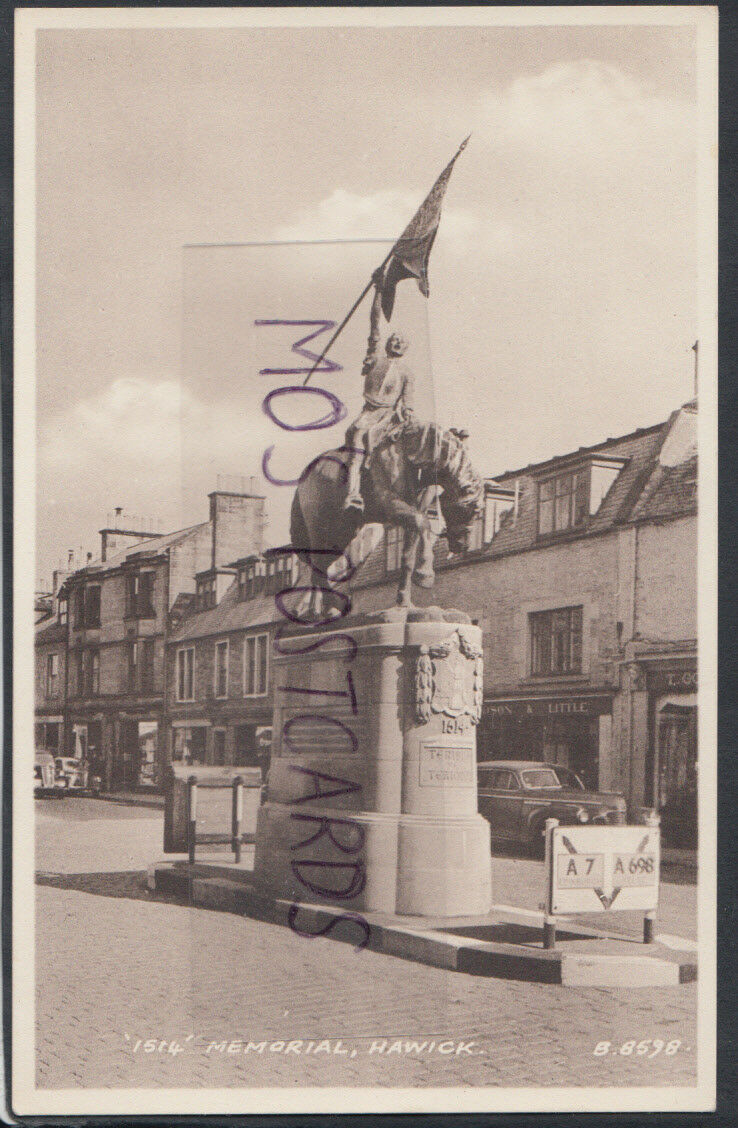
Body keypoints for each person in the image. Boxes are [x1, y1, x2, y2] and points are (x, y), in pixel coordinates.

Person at [343, 266, 415, 511]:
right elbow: (375, 322)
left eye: (401, 341)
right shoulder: (375, 357)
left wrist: (406, 415)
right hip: (370, 413)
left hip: (390, 417)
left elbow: (408, 403)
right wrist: (377, 291)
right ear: (387, 343)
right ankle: (353, 493)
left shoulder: (407, 373)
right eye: (394, 339)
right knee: (357, 435)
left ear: (406, 348)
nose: (397, 342)